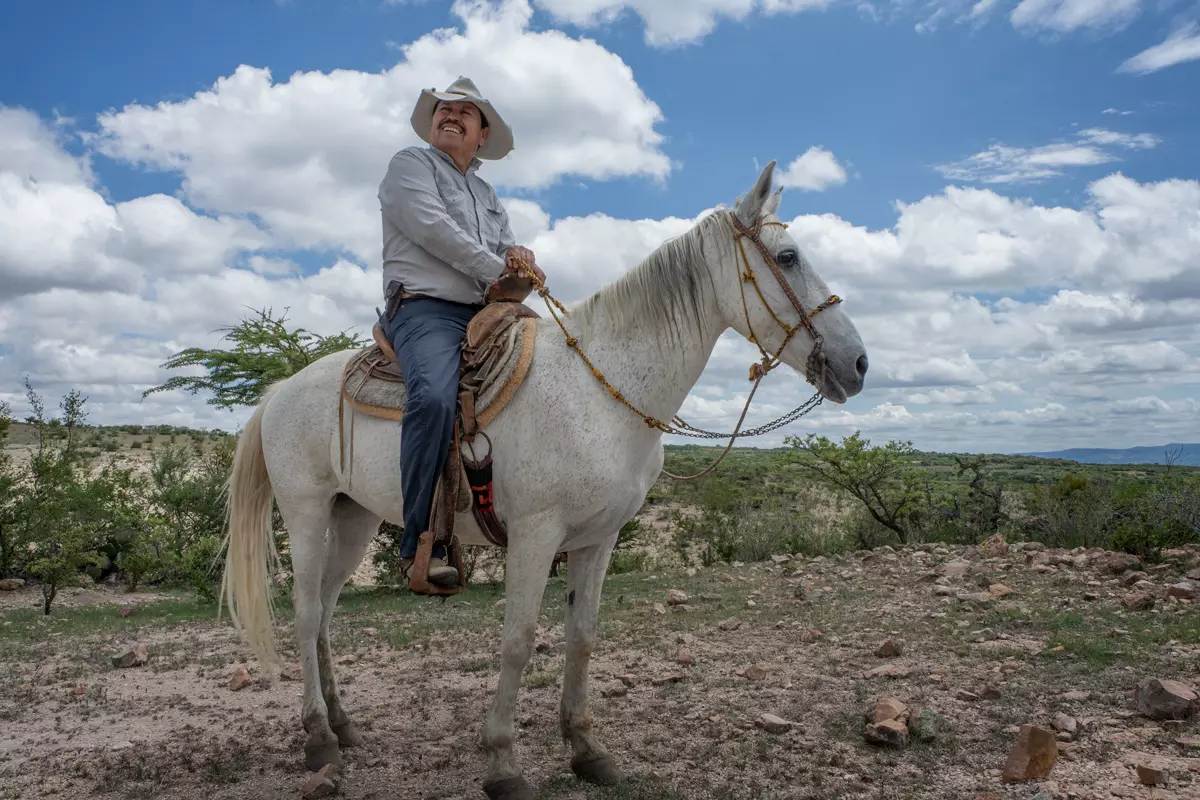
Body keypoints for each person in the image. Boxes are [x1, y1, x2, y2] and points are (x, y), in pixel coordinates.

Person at [376, 76, 542, 589]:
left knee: (553, 372)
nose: (450, 114)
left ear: (482, 133)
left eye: (464, 111)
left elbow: (506, 245)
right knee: (432, 399)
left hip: (484, 311)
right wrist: (497, 268)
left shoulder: (488, 194)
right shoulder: (410, 165)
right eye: (444, 108)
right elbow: (431, 228)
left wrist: (521, 258)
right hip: (425, 310)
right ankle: (421, 544)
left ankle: (547, 514)